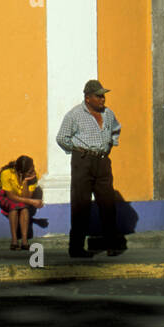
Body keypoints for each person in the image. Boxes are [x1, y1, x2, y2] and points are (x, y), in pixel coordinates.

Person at [56, 80, 122, 259]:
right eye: (99, 96)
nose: (103, 99)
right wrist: (78, 150)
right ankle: (76, 248)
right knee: (81, 204)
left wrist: (110, 144)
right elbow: (62, 137)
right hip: (83, 162)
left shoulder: (108, 114)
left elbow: (116, 129)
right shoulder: (74, 115)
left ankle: (112, 245)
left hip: (102, 161)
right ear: (88, 98)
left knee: (108, 203)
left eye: (103, 95)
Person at [0, 155, 43, 250]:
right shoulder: (7, 174)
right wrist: (32, 202)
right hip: (6, 196)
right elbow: (10, 196)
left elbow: (26, 197)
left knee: (24, 208)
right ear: (21, 172)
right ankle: (14, 240)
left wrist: (25, 181)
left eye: (33, 169)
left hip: (22, 198)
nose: (33, 173)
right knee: (14, 206)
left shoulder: (33, 176)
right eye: (29, 171)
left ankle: (24, 241)